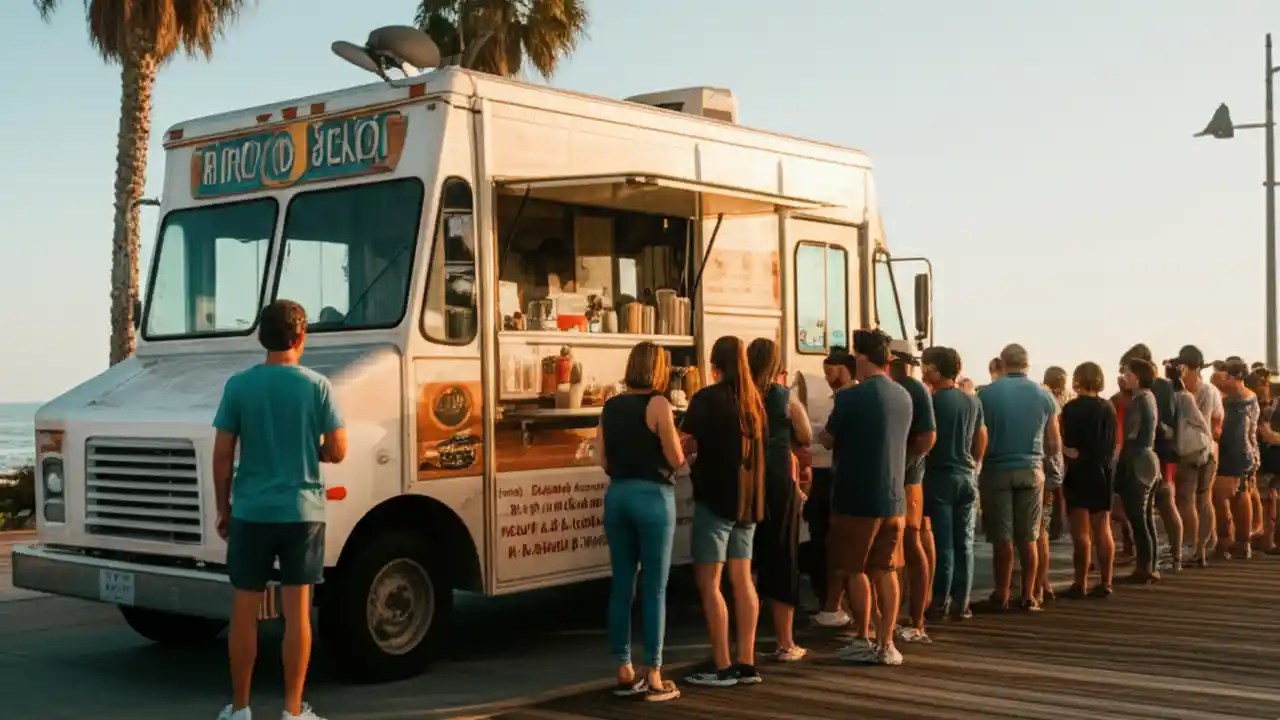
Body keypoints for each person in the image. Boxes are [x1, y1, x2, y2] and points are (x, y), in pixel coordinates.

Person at [212, 300, 347, 720]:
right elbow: (339, 449)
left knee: (244, 614)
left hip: (251, 512)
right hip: (302, 513)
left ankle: (240, 709)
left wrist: (224, 508)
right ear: (301, 336)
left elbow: (222, 455)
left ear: (261, 338)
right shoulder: (316, 386)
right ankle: (292, 710)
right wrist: (315, 450)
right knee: (297, 615)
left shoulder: (239, 386)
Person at [597, 341, 685, 703]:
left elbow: (601, 459)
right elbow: (676, 458)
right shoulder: (659, 404)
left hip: (617, 497)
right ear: (659, 370)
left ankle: (622, 668)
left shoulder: (610, 406)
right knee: (655, 588)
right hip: (653, 499)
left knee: (622, 585)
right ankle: (655, 674)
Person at [820, 329, 912, 665]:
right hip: (893, 497)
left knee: (855, 569)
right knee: (886, 570)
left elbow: (828, 439)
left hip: (856, 497)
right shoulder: (904, 396)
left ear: (860, 358)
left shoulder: (849, 398)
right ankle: (888, 644)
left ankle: (863, 637)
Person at [682, 336, 766, 688]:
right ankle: (746, 663)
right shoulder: (754, 402)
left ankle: (721, 666)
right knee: (742, 581)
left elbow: (682, 443)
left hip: (715, 502)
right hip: (747, 505)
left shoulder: (707, 399)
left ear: (714, 364)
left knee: (709, 584)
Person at [976, 344, 1060, 612]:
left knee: (1003, 538)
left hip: (996, 469)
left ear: (1001, 363)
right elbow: (1054, 442)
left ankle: (1001, 593)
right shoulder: (1044, 395)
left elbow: (979, 434)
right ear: (1027, 364)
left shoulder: (985, 395)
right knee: (1029, 537)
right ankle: (1029, 595)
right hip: (1032, 469)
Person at [747, 338, 813, 662]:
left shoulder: (740, 396)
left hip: (746, 483)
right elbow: (806, 435)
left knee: (748, 560)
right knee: (783, 557)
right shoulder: (785, 398)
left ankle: (745, 638)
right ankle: (785, 642)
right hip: (778, 483)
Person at [921, 346, 987, 621]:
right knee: (965, 543)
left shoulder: (932, 402)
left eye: (926, 366)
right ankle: (963, 603)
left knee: (944, 543)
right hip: (967, 476)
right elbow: (982, 436)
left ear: (935, 370)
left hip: (940, 476)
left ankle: (940, 601)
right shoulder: (972, 401)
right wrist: (975, 462)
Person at [808, 347, 858, 628]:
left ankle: (838, 603)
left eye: (830, 372)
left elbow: (826, 438)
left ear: (844, 369)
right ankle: (826, 599)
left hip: (839, 474)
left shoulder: (851, 399)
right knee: (820, 538)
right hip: (821, 472)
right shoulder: (825, 400)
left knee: (839, 541)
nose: (827, 377)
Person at [889, 351, 937, 644]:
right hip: (908, 478)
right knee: (909, 544)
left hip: (909, 481)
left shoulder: (911, 387)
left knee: (911, 541)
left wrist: (901, 464)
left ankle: (918, 620)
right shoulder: (909, 387)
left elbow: (927, 436)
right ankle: (910, 616)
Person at [1060, 362, 1118, 598]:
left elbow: (1068, 444)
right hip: (1102, 471)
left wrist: (1067, 452)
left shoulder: (1071, 409)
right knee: (1103, 528)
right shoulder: (1108, 408)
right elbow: (1110, 443)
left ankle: (1080, 582)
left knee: (1081, 533)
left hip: (1078, 471)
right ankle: (1106, 581)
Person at [1174, 346, 1223, 568]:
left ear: (1186, 367)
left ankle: (1192, 548)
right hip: (1210, 449)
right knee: (1205, 499)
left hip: (1188, 450)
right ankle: (1202, 549)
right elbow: (1218, 423)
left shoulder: (1183, 393)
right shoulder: (1212, 391)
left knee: (1186, 499)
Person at [1116, 358, 1162, 583]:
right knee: (1146, 516)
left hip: (1138, 460)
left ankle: (1145, 567)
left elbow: (1132, 434)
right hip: (1150, 459)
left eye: (1128, 373)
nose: (1125, 377)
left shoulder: (1139, 400)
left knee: (1137, 515)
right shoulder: (1150, 397)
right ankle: (1150, 564)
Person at [1215, 359, 1261, 561]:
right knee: (1242, 495)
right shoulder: (1252, 397)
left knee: (1221, 498)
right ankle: (1244, 543)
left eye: (1225, 377)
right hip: (1248, 453)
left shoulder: (1233, 402)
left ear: (1234, 377)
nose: (1222, 382)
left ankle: (1226, 540)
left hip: (1233, 453)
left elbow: (1231, 433)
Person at [1036, 367, 1069, 603]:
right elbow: (1055, 444)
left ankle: (1037, 583)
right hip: (1049, 468)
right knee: (1041, 527)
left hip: (1037, 465)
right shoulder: (1056, 401)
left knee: (1034, 528)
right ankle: (1042, 583)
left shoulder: (1043, 398)